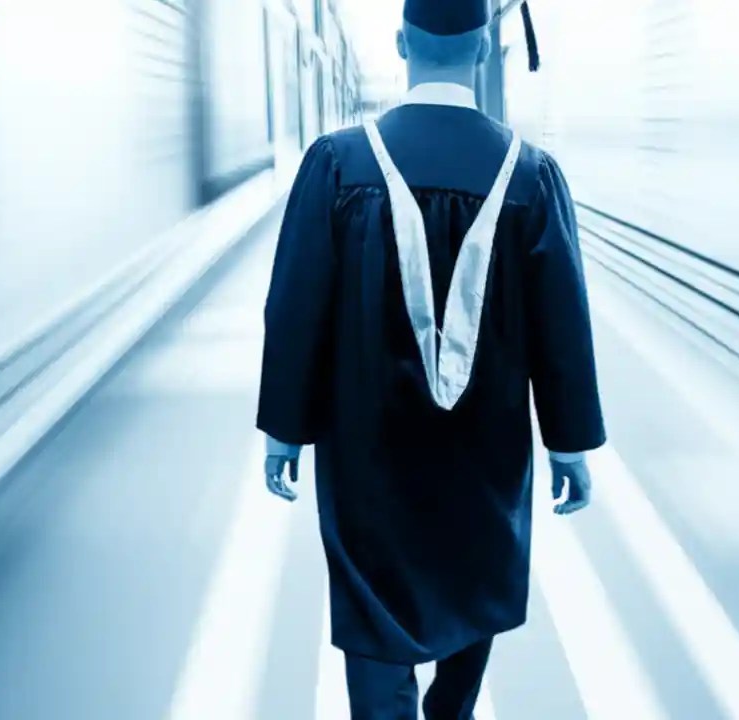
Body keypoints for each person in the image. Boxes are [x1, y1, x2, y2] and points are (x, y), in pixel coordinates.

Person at [255, 0, 604, 717]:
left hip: (366, 456)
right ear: (483, 51)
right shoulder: (533, 177)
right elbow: (562, 324)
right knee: (470, 586)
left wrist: (284, 429)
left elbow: (294, 307)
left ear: (398, 44)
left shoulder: (337, 164)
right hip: (485, 455)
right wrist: (570, 443)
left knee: (377, 628)